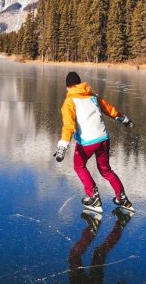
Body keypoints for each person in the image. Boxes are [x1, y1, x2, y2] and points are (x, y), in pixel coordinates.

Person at [53, 71, 134, 213]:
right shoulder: (93, 97)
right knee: (106, 170)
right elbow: (110, 110)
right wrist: (124, 120)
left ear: (68, 87)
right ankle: (121, 197)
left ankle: (93, 196)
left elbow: (69, 126)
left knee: (79, 166)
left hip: (87, 142)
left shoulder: (69, 101)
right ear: (80, 84)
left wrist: (62, 147)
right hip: (103, 138)